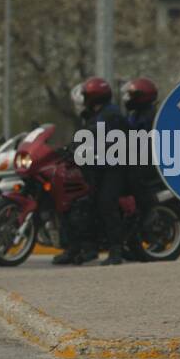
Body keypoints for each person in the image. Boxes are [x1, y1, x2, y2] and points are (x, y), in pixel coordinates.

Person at [53, 76, 129, 266]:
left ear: (95, 97)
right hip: (96, 167)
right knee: (83, 204)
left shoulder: (110, 114)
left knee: (106, 204)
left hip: (114, 167)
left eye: (86, 96)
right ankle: (84, 249)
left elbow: (95, 135)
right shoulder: (94, 114)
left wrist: (77, 146)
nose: (83, 100)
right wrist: (66, 149)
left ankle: (116, 251)